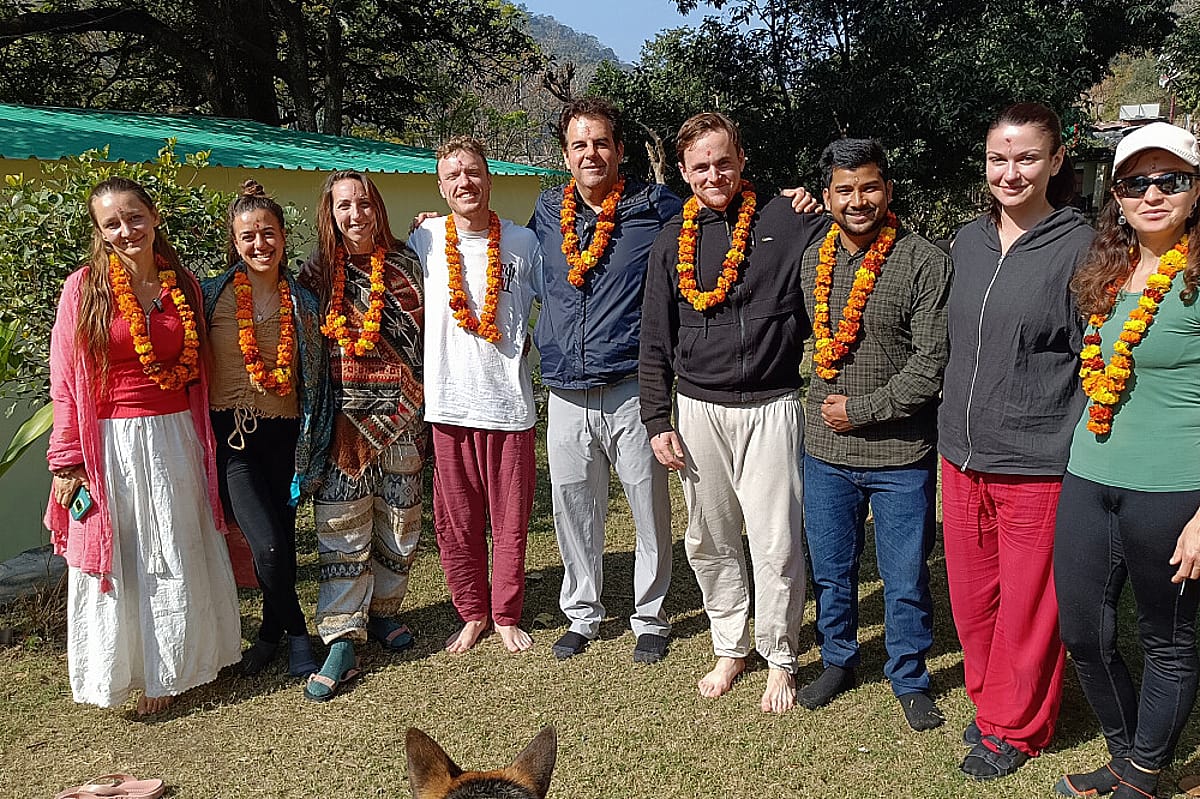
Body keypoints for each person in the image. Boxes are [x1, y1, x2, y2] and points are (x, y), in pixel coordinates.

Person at [639, 112, 825, 713]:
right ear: (685, 172)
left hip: (773, 404)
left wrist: (817, 199)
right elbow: (654, 336)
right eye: (700, 166)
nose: (713, 174)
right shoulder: (672, 238)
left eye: (723, 161)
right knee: (709, 537)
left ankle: (780, 656)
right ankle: (730, 644)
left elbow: (852, 231)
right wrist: (657, 419)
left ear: (742, 160)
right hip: (698, 408)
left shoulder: (787, 219)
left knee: (777, 544)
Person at [45, 176, 241, 715]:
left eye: (134, 217)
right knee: (127, 554)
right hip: (110, 443)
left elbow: (201, 368)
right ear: (100, 232)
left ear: (154, 217)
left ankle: (180, 669)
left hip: (176, 434)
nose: (126, 230)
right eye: (112, 223)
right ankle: (134, 672)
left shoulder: (185, 285)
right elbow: (64, 379)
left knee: (176, 548)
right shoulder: (83, 290)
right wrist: (68, 460)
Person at [938, 103, 1093, 779]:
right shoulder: (966, 241)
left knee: (1030, 605)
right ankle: (991, 701)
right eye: (999, 158)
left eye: (1027, 157)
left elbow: (1099, 360)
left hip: (1038, 458)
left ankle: (1018, 726)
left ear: (1057, 159)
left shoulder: (1082, 247)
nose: (1012, 171)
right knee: (974, 602)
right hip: (961, 454)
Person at [1054, 122, 1200, 799]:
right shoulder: (1106, 269)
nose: (1153, 192)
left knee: (1167, 638)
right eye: (1136, 181)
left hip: (1175, 489)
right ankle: (1122, 752)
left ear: (1195, 189)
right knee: (1083, 628)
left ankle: (1145, 771)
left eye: (1171, 178)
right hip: (1091, 474)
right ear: (1116, 194)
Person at [797, 138, 951, 732]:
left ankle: (908, 674)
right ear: (828, 196)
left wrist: (861, 410)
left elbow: (931, 363)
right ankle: (838, 659)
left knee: (905, 572)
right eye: (844, 189)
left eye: (869, 187)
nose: (857, 200)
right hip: (826, 453)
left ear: (887, 190)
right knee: (833, 569)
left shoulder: (923, 260)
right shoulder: (816, 258)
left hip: (900, 454)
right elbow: (810, 335)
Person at [528, 98, 681, 663]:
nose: (590, 153)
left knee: (647, 505)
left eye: (600, 143)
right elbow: (506, 251)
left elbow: (721, 212)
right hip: (565, 390)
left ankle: (650, 615)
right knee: (573, 508)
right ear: (566, 156)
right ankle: (583, 613)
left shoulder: (656, 207)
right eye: (578, 145)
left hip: (631, 388)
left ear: (620, 150)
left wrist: (789, 201)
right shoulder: (547, 213)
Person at [408, 136, 543, 654]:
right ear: (441, 188)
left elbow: (546, 308)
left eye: (472, 172)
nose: (464, 182)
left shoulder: (522, 244)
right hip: (448, 405)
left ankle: (506, 613)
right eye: (453, 175)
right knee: (457, 521)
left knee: (510, 520)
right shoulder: (424, 239)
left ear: (488, 179)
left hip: (509, 405)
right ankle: (471, 611)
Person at [300, 170, 426, 701]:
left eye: (364, 203)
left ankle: (382, 613)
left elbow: (425, 336)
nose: (356, 215)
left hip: (403, 415)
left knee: (400, 523)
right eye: (344, 206)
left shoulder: (405, 265)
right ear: (330, 214)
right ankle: (341, 636)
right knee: (342, 528)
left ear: (377, 207)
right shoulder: (314, 276)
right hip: (343, 424)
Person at [200, 180, 329, 678]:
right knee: (268, 545)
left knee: (281, 539)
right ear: (235, 242)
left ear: (283, 236)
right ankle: (298, 633)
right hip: (233, 441)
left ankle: (270, 634)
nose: (260, 244)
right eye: (248, 236)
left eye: (269, 233)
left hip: (287, 438)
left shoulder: (305, 300)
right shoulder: (209, 296)